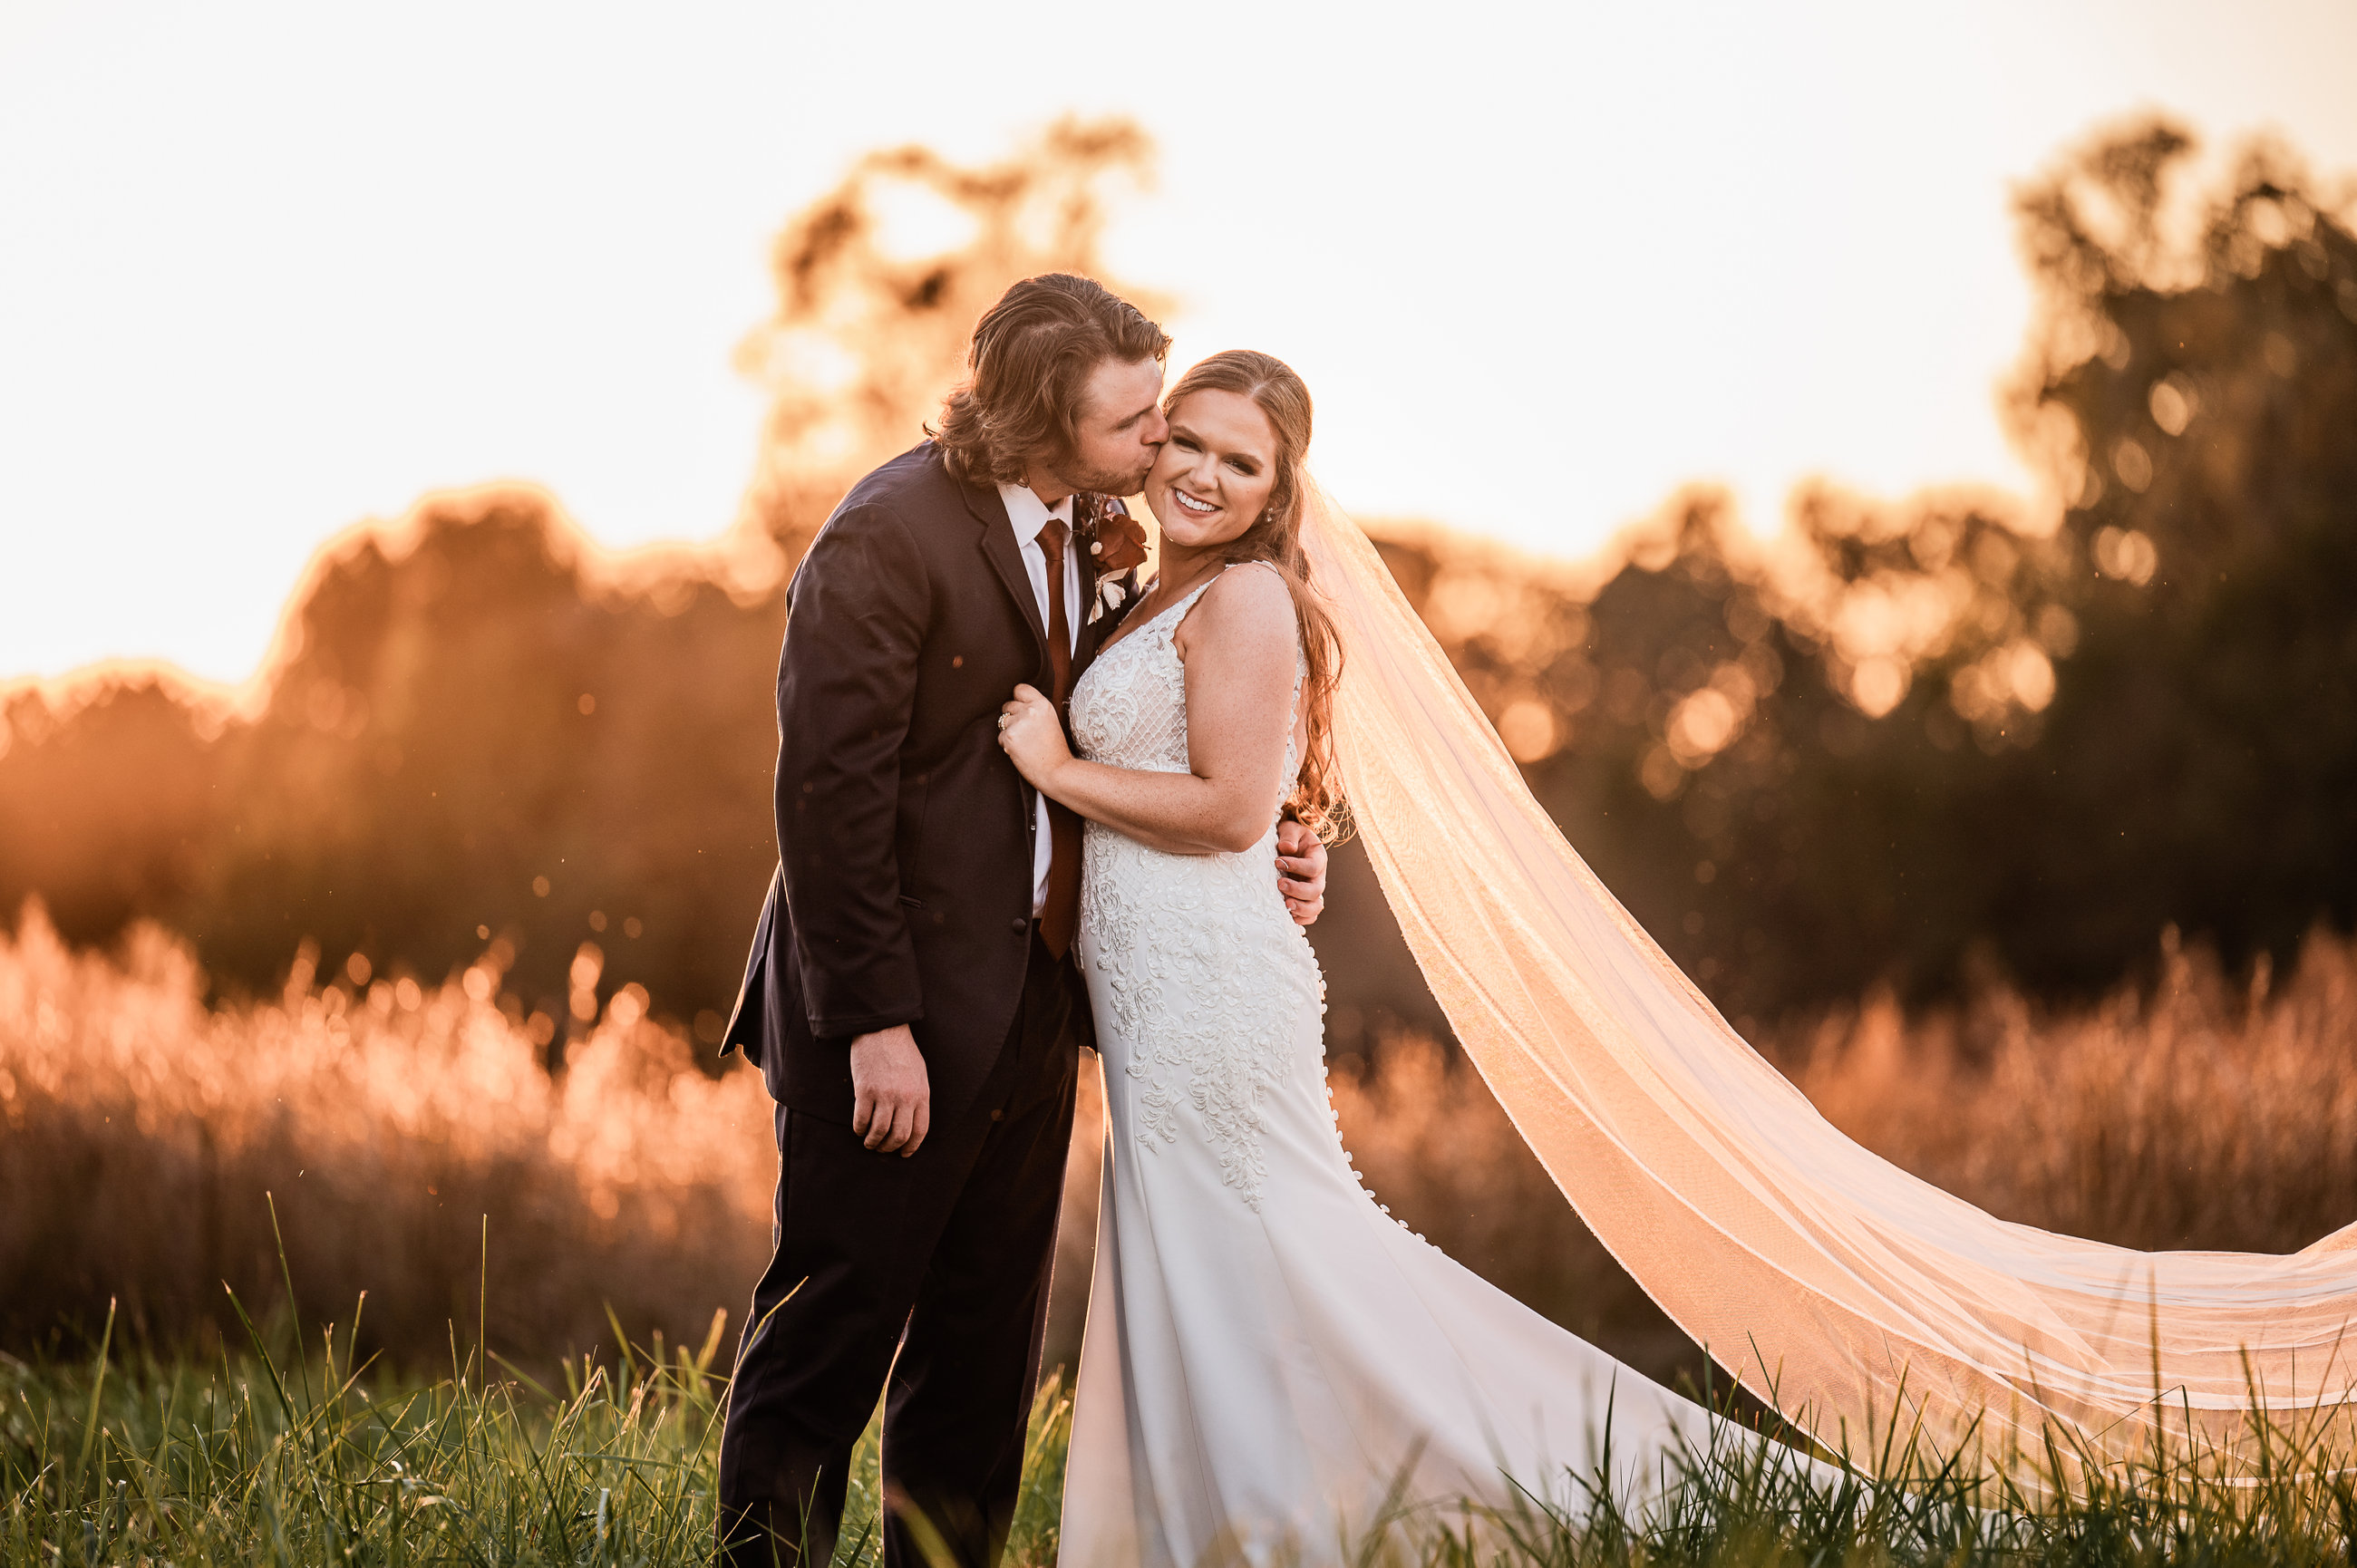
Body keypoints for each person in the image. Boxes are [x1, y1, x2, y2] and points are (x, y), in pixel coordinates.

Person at [996, 351, 1728, 1566]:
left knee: (1270, 1249)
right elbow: (1259, 800)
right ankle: (1215, 1525)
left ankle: (1327, 1522)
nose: (1207, 477)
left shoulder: (1246, 597)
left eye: (1245, 464)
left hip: (1213, 993)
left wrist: (1056, 768)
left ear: (1279, 492)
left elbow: (1232, 808)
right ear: (1155, 440)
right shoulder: (1144, 593)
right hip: (1155, 991)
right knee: (1210, 1254)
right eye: (1193, 444)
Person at [714, 279, 1331, 1568]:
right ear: (1050, 421)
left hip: (1032, 1015)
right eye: (1136, 422)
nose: (1160, 442)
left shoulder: (1097, 532)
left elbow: (1191, 737)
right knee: (829, 1341)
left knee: (980, 1366)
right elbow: (827, 798)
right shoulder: (889, 536)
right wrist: (875, 1022)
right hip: (898, 1020)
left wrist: (1274, 840)